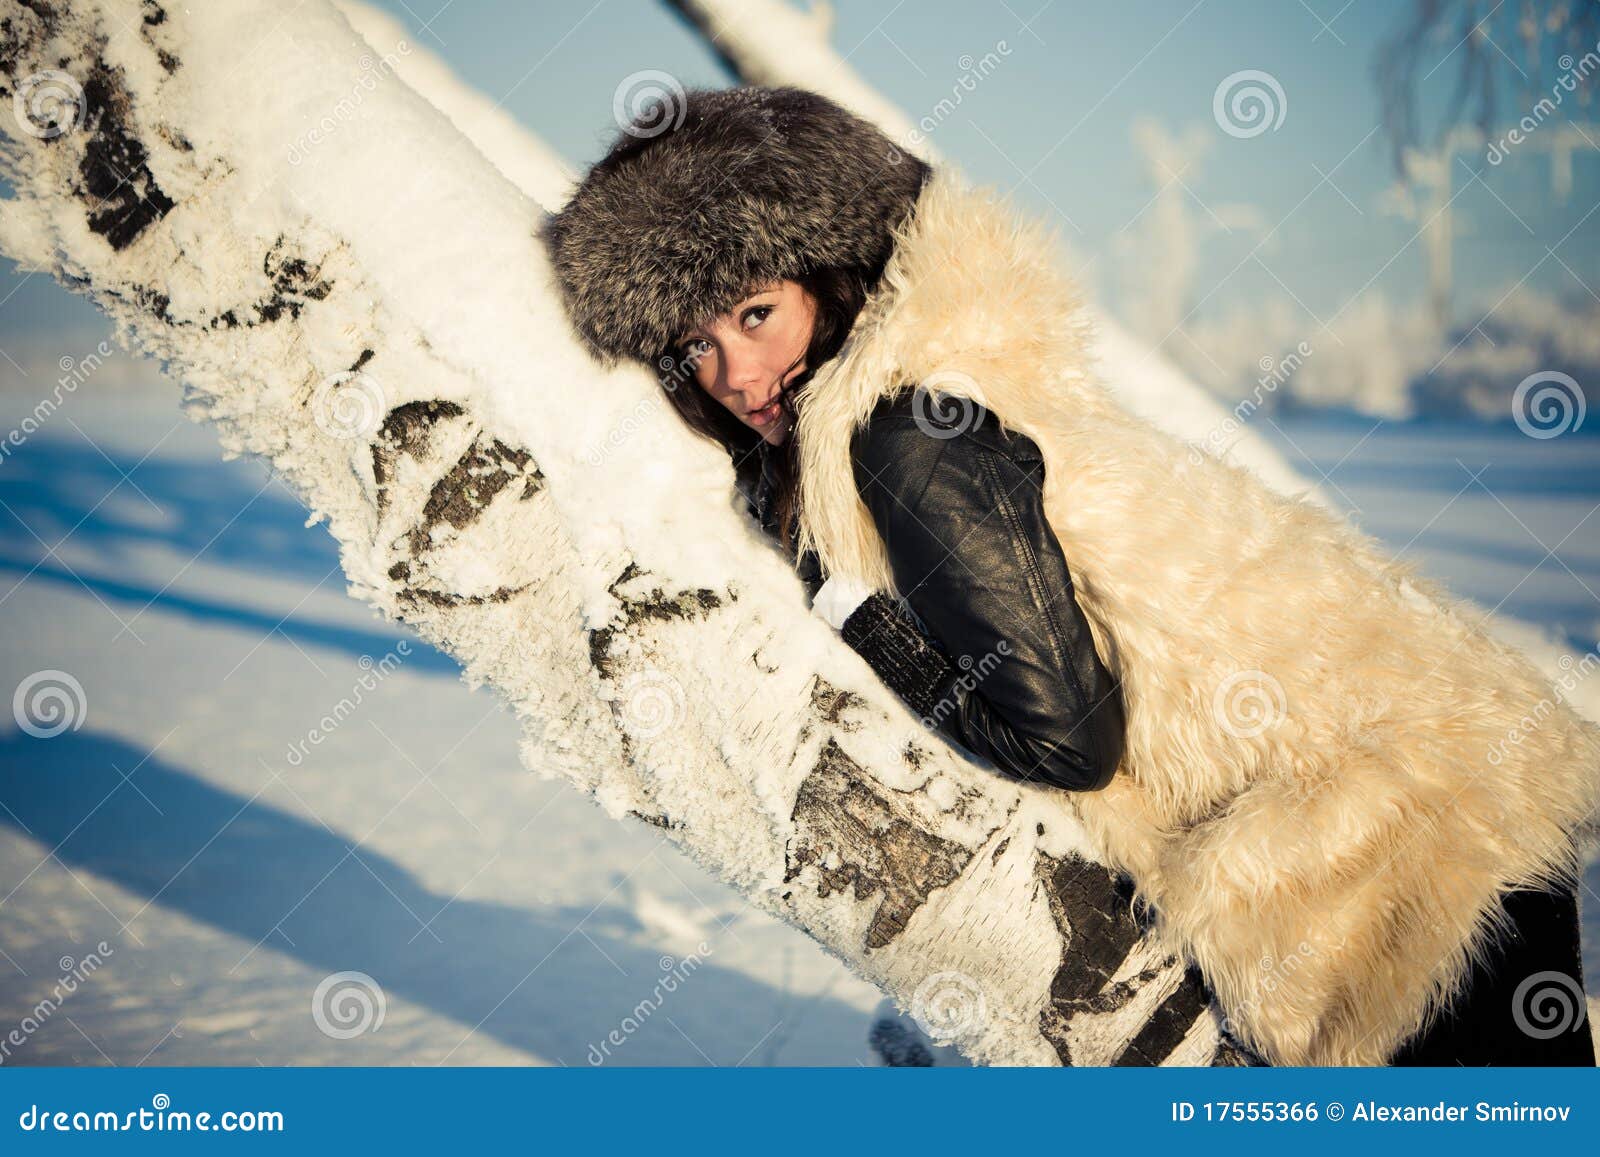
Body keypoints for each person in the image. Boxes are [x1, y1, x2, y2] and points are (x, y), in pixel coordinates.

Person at [540, 84, 1600, 1067]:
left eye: (755, 313)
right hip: (1448, 765)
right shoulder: (965, 372)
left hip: (1403, 839)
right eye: (695, 341)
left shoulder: (905, 441)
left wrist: (863, 620)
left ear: (827, 277)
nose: (733, 373)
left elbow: (1066, 736)